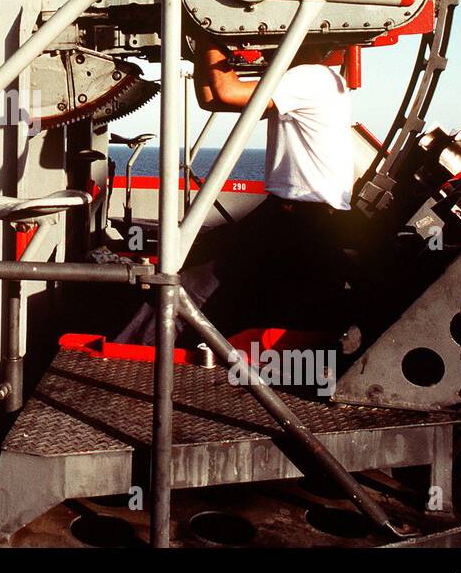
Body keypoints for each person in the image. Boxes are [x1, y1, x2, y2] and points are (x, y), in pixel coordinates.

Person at [114, 28, 355, 345]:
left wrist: (206, 34)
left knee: (186, 284)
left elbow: (226, 91)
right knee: (201, 259)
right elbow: (212, 98)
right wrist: (206, 47)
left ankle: (133, 357)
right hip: (295, 216)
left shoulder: (310, 77)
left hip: (302, 222)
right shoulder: (318, 80)